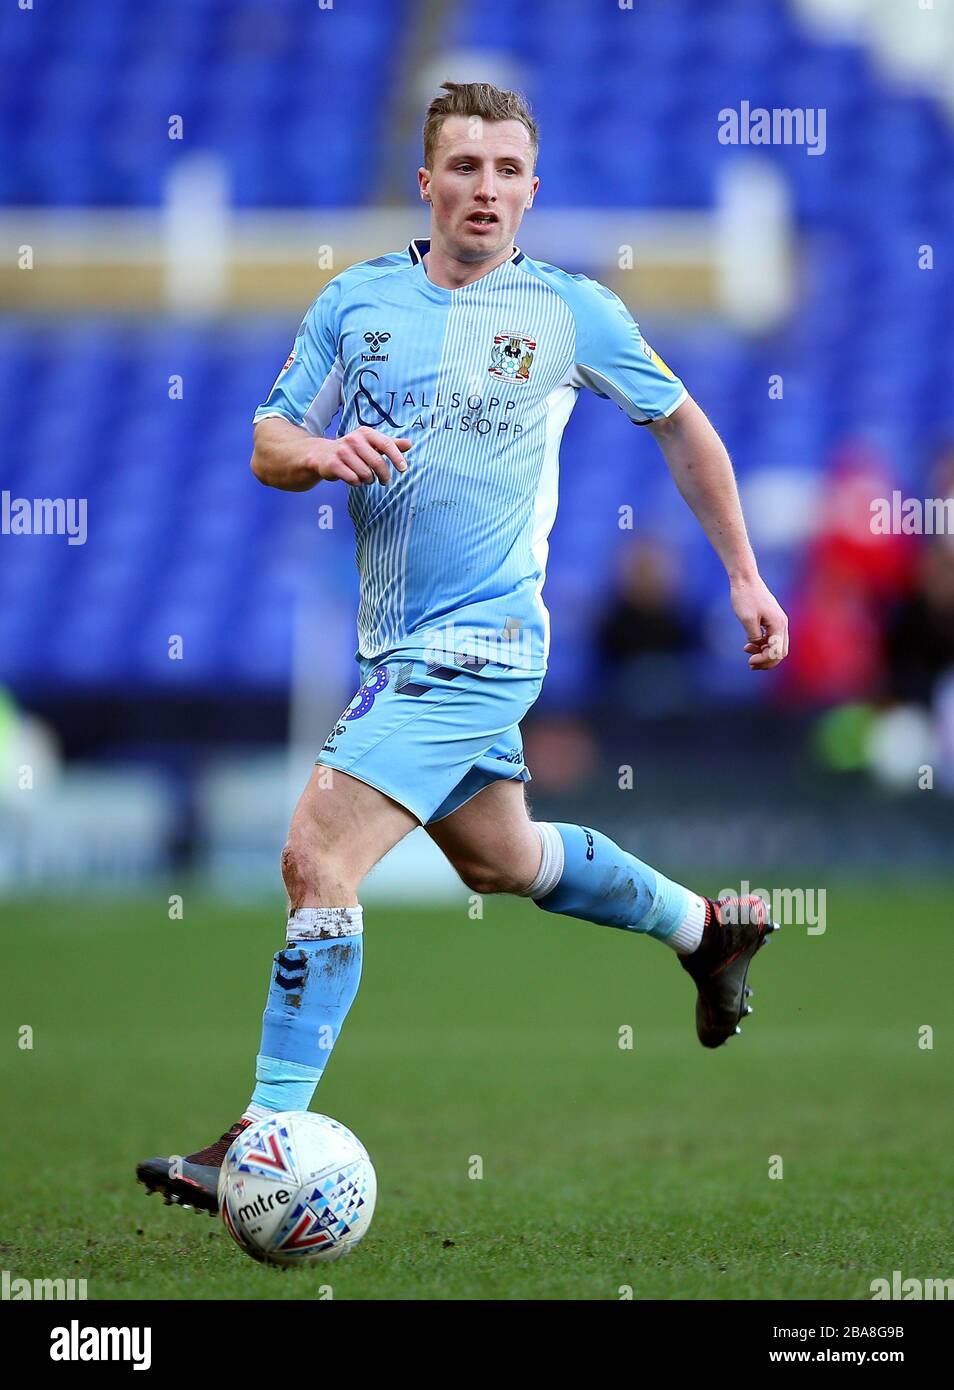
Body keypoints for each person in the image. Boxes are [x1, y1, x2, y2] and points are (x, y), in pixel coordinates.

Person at [138, 81, 788, 1214]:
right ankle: (707, 929)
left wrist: (741, 572)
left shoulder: (572, 311)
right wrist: (323, 453)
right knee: (502, 859)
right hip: (396, 646)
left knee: (314, 859)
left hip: (484, 642)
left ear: (535, 189)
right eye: (465, 166)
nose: (485, 188)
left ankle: (263, 1131)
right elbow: (268, 439)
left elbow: (683, 424)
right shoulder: (356, 302)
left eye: (507, 170)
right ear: (425, 180)